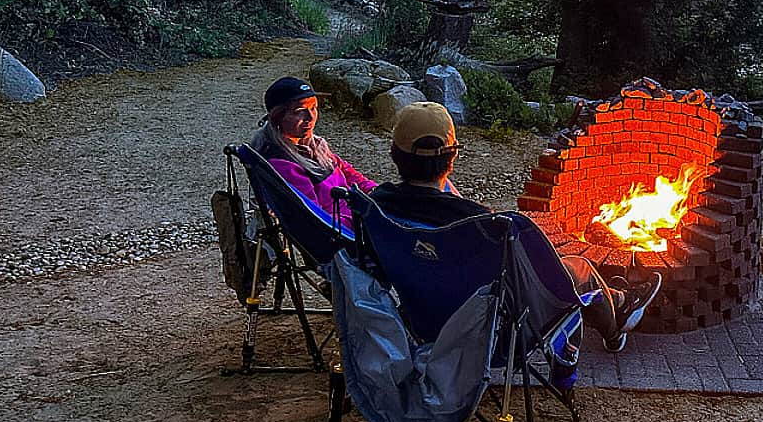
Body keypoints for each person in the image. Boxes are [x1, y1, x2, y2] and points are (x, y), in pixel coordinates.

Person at [370, 101, 662, 353]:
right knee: (579, 267)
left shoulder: (378, 207)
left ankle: (619, 298)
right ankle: (618, 319)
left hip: (422, 319)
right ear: (453, 156)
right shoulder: (482, 225)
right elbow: (524, 279)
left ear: (395, 154)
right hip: (494, 333)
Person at [248, 76, 378, 228]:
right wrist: (367, 218)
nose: (310, 117)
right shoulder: (283, 164)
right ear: (278, 117)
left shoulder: (313, 144)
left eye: (314, 108)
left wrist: (375, 191)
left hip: (353, 211)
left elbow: (345, 170)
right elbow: (316, 220)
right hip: (344, 232)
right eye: (300, 111)